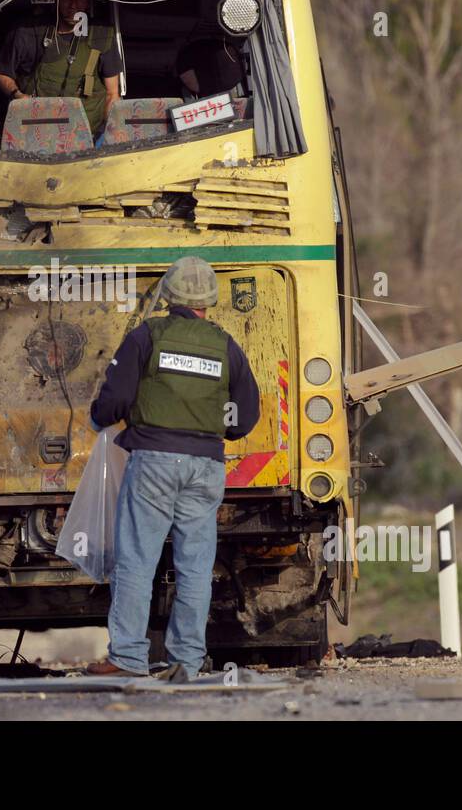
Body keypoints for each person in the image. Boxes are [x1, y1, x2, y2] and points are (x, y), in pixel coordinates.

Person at [84, 256, 260, 678]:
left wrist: (99, 417)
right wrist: (218, 431)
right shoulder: (226, 346)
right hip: (206, 467)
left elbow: (116, 399)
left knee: (137, 562)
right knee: (196, 567)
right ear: (209, 302)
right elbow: (247, 415)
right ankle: (187, 661)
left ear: (168, 295)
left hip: (154, 463)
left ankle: (127, 658)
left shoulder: (148, 335)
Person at [0, 0, 123, 139]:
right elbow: (1, 72)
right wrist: (18, 96)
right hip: (31, 132)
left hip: (81, 137)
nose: (73, 5)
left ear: (88, 2)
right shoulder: (28, 30)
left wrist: (108, 137)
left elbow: (112, 94)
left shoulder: (101, 34)